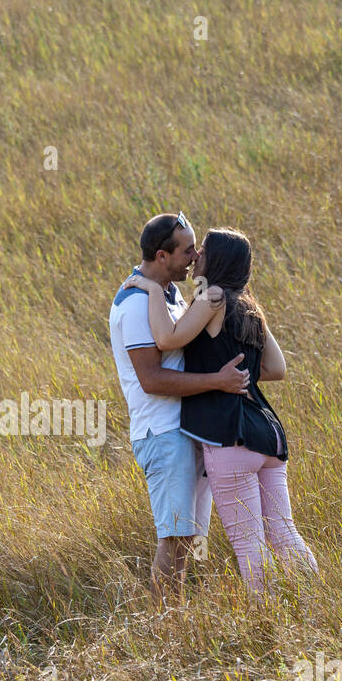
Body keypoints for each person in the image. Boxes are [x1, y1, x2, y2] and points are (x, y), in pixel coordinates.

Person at [123, 227, 318, 593]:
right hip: (268, 435)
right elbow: (277, 369)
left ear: (219, 261)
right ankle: (317, 601)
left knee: (250, 547)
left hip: (231, 439)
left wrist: (151, 289)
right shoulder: (250, 307)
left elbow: (166, 339)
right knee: (284, 532)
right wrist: (231, 364)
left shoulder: (211, 297)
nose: (197, 257)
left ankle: (266, 620)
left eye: (204, 251)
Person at [108, 213, 251, 603]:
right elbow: (152, 381)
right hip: (163, 433)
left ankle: (176, 619)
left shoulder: (169, 293)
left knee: (188, 536)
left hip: (186, 429)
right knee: (174, 537)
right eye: (187, 250)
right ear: (161, 254)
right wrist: (217, 382)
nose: (195, 255)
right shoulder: (136, 303)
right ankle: (164, 625)